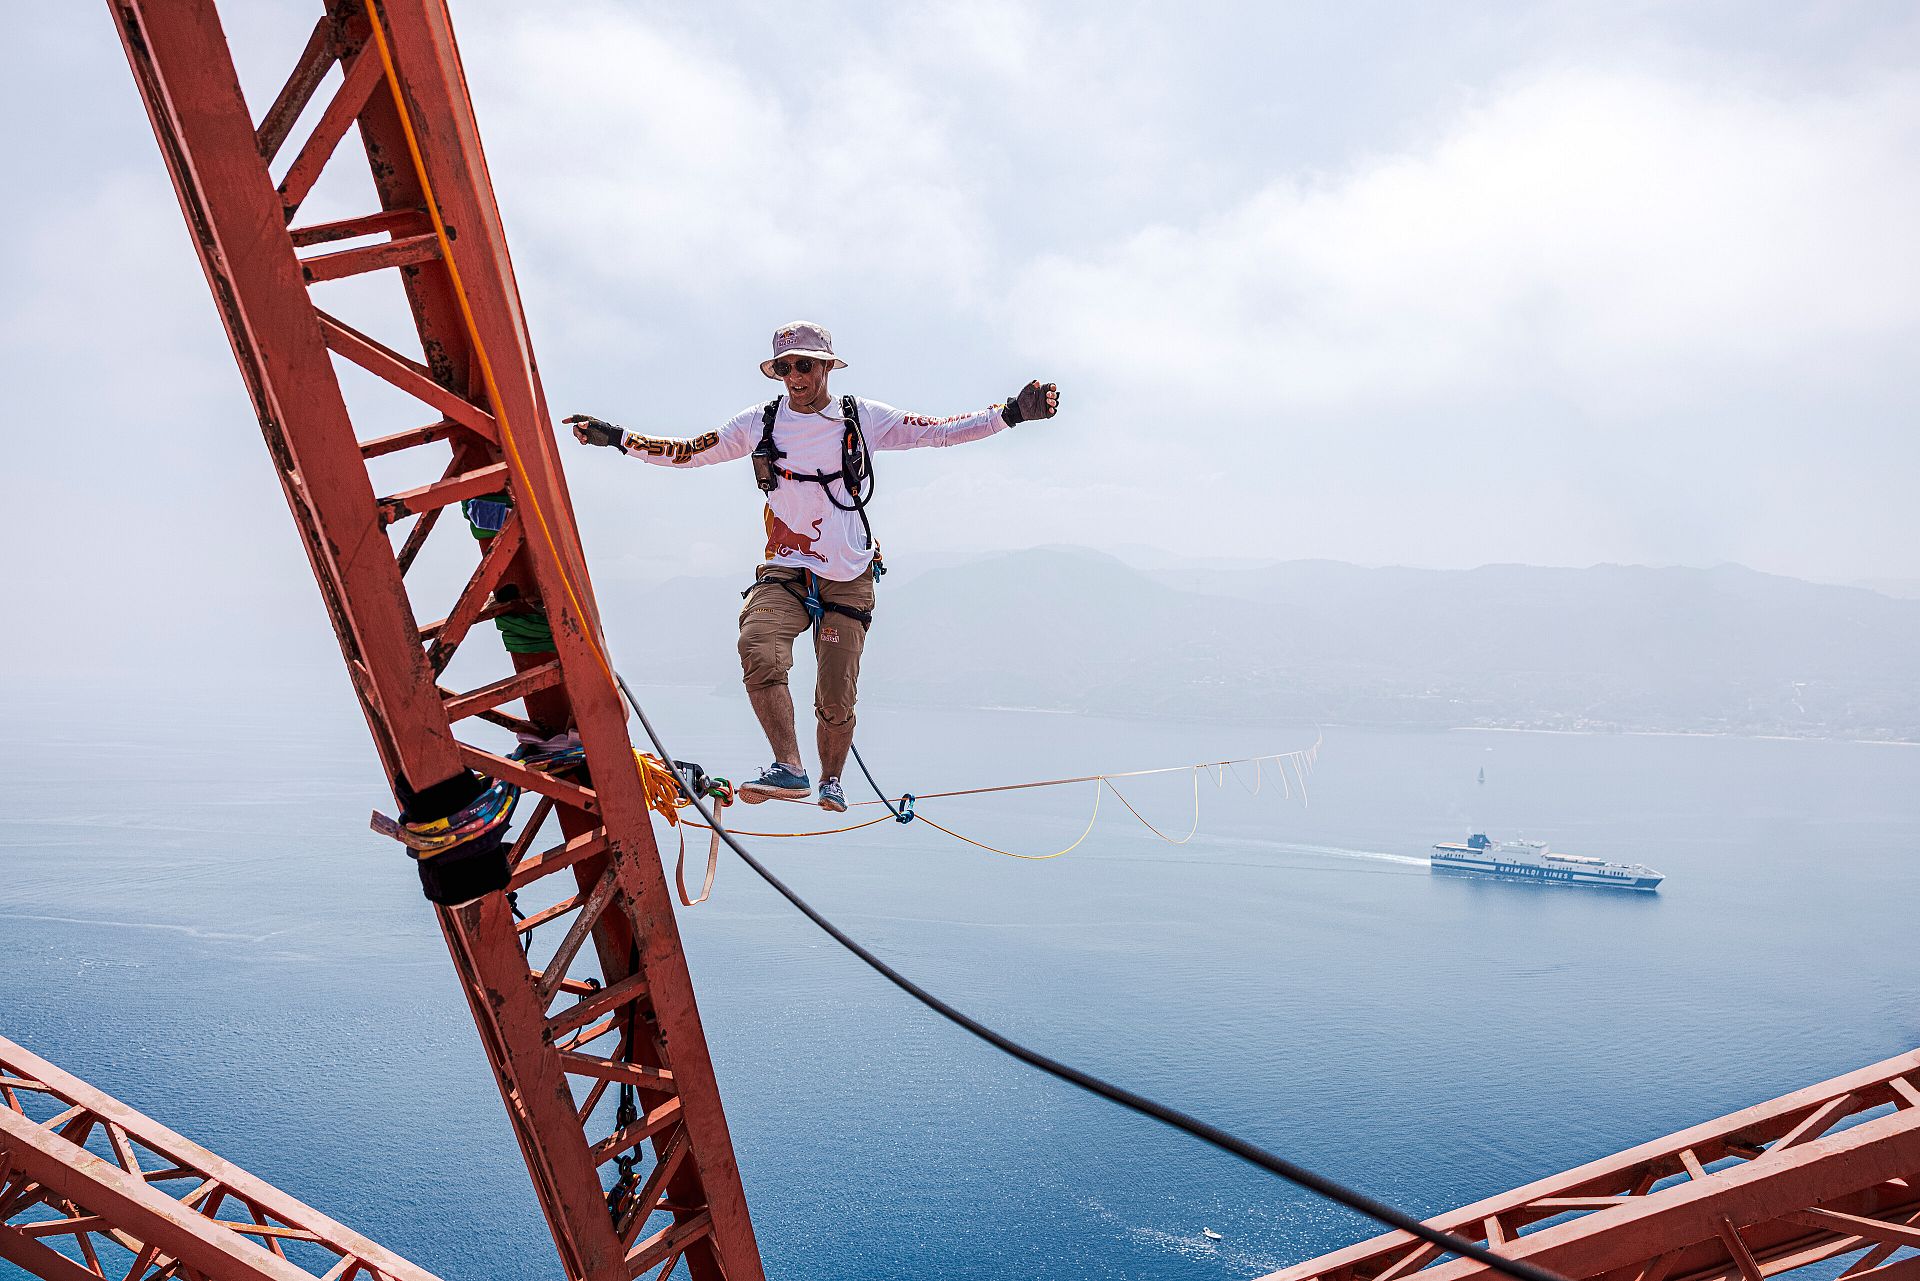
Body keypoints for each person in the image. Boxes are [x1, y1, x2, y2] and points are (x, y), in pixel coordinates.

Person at [567, 321, 1060, 811]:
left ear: (826, 366)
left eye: (803, 365)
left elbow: (939, 432)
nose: (793, 376)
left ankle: (831, 779)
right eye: (783, 368)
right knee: (756, 645)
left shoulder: (859, 417)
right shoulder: (758, 424)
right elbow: (688, 452)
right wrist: (618, 437)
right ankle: (790, 768)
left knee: (836, 695)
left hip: (848, 575)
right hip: (786, 568)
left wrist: (1013, 413)